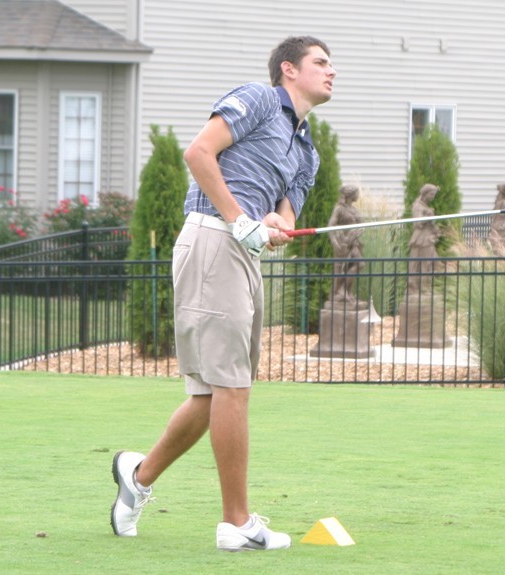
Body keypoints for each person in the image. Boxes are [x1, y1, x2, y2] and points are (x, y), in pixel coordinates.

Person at [110, 36, 336, 551]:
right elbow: (199, 152)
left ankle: (138, 476)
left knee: (213, 393)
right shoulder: (258, 99)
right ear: (288, 70)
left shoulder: (307, 151)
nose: (331, 72)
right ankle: (236, 523)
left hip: (244, 253)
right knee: (232, 387)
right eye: (320, 63)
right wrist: (239, 221)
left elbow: (284, 215)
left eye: (331, 64)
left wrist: (275, 224)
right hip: (213, 237)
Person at [327, 184, 367, 308]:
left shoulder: (353, 209)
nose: (358, 195)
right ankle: (341, 292)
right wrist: (334, 240)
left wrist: (360, 229)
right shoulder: (339, 208)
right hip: (343, 242)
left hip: (353, 241)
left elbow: (361, 224)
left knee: (359, 264)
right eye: (357, 193)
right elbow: (331, 225)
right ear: (351, 194)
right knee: (345, 267)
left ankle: (346, 291)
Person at [407, 183, 441, 293]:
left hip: (427, 238)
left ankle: (425, 287)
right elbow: (417, 222)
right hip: (422, 239)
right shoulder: (418, 206)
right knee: (426, 263)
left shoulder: (425, 206)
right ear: (425, 193)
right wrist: (428, 216)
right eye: (431, 194)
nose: (433, 197)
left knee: (433, 263)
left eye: (434, 194)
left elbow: (430, 223)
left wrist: (436, 230)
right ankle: (423, 289)